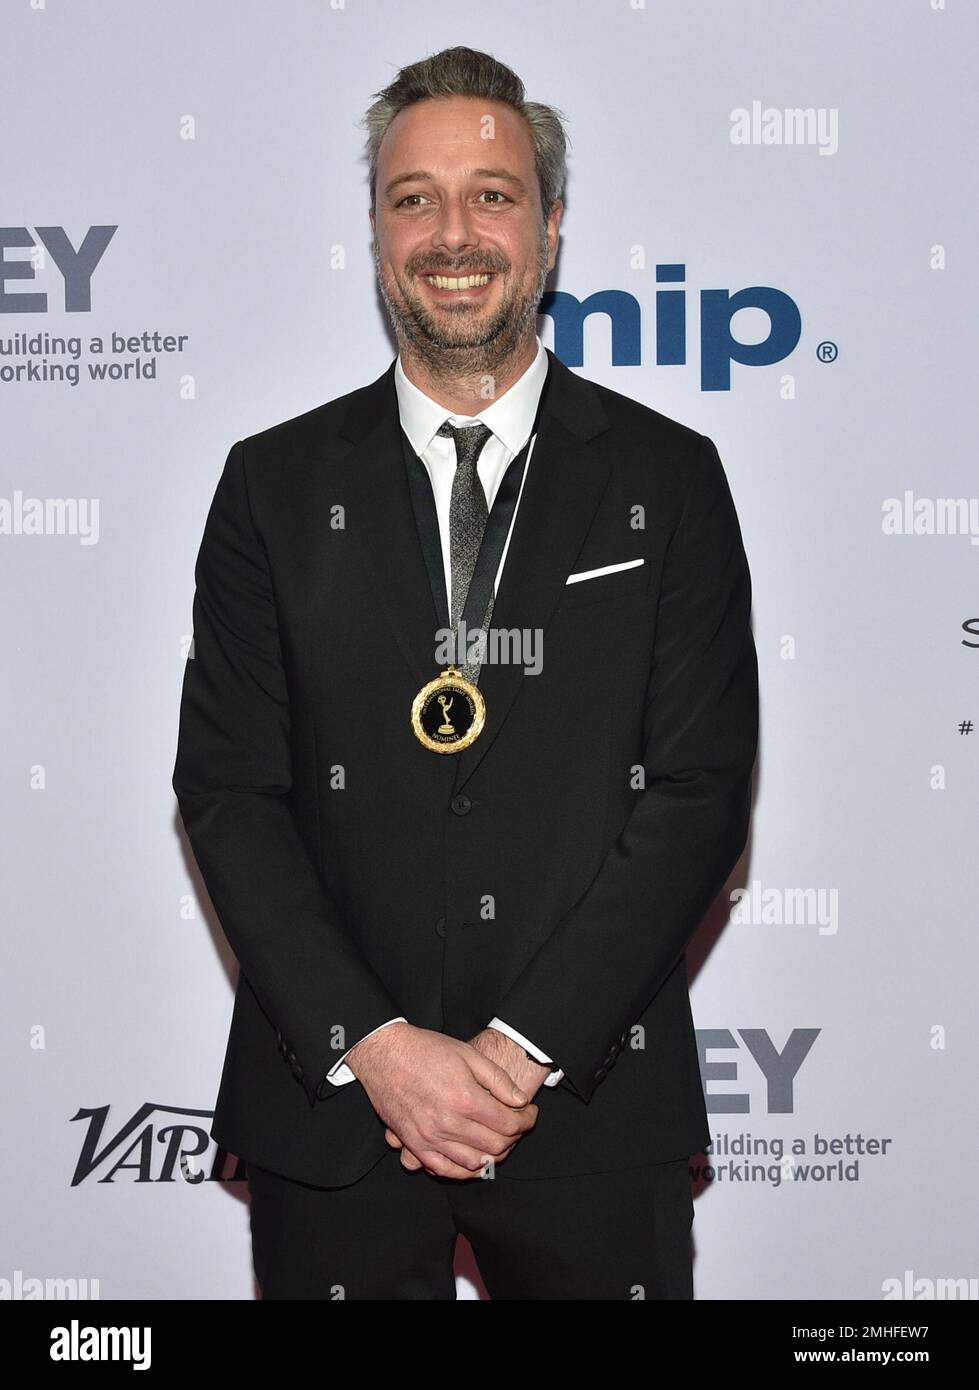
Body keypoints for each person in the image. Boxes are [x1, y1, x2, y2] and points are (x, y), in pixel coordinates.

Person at [172, 45, 759, 1300]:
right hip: (335, 1110)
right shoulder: (272, 487)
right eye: (413, 197)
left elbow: (700, 792)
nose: (453, 233)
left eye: (491, 195)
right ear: (377, 232)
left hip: (591, 1107)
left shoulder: (670, 479)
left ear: (548, 230)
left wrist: (516, 1052)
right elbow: (228, 791)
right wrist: (382, 1049)